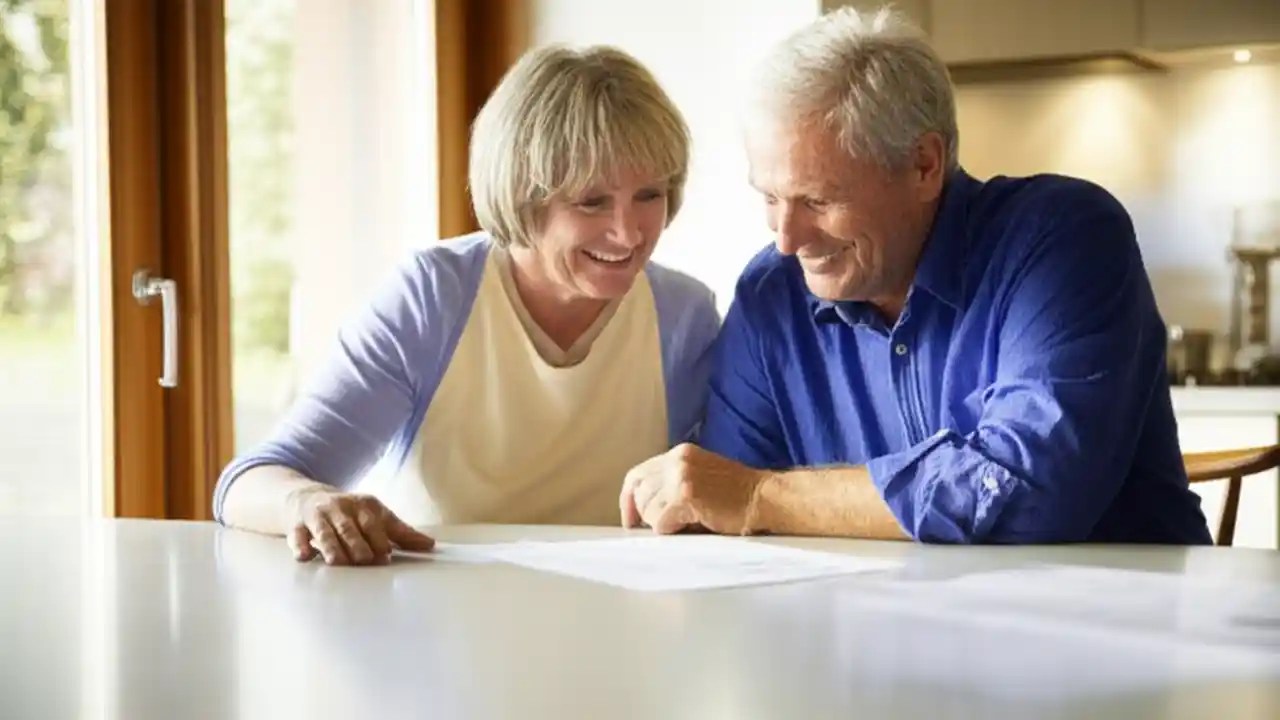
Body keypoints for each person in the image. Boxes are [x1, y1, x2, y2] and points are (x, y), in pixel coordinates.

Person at [620, 7, 1212, 545]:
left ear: (924, 165)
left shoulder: (1063, 238)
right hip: (878, 622)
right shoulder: (772, 292)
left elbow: (1028, 493)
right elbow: (722, 510)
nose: (788, 239)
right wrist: (733, 498)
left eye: (818, 200)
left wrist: (762, 497)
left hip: (1109, 619)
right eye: (770, 197)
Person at [216, 44, 719, 565]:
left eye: (649, 195)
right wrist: (305, 501)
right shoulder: (432, 298)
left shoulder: (683, 316)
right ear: (524, 195)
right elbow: (249, 482)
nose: (628, 232)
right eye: (592, 202)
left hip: (615, 606)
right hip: (437, 606)